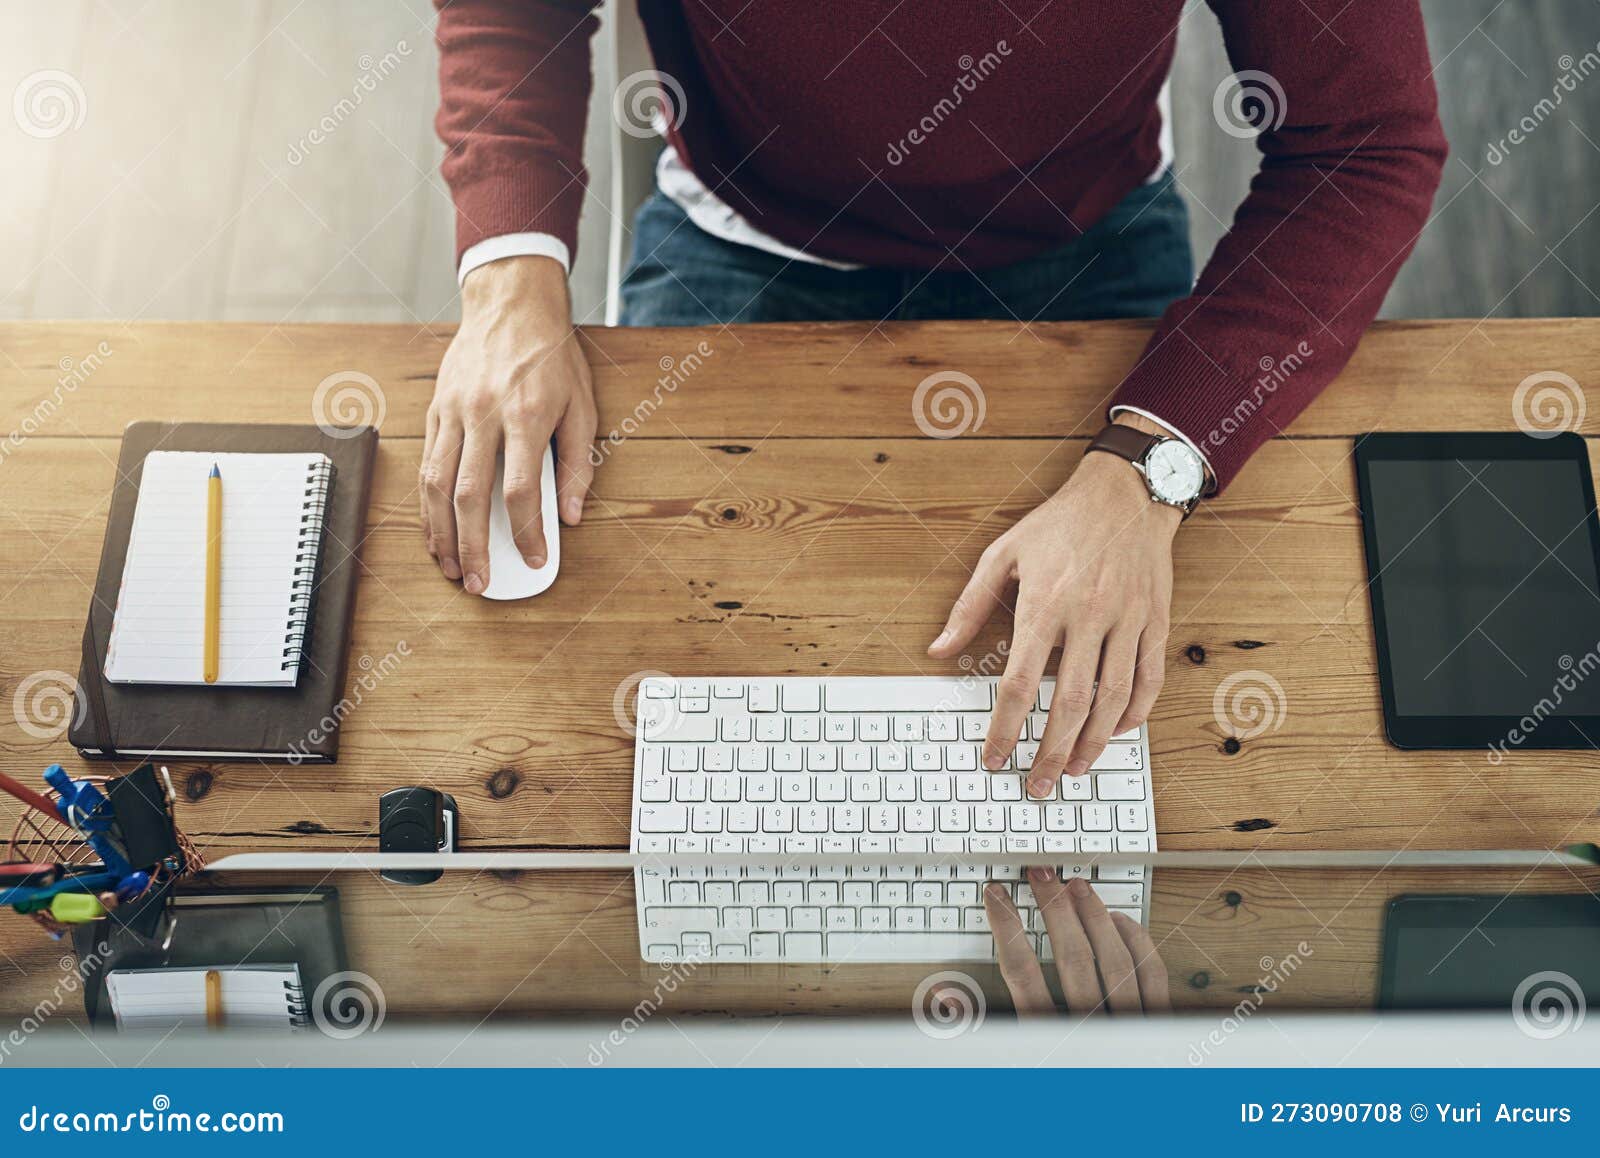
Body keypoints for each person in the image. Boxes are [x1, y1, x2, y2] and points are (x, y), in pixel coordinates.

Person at [425, 2, 1446, 801]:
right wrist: (510, 273)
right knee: (617, 708)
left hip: (1085, 231)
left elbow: (1366, 141)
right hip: (743, 230)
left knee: (1149, 736)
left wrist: (1156, 461)